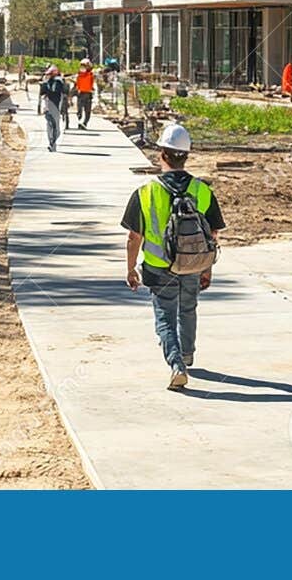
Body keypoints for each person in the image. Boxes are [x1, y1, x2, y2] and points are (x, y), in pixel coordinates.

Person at [121, 123, 225, 390]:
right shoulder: (202, 190)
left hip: (158, 268)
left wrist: (131, 268)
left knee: (165, 317)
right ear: (186, 155)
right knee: (188, 308)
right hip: (192, 264)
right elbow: (212, 233)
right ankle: (188, 353)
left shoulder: (145, 192)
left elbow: (134, 237)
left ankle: (176, 364)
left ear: (162, 154)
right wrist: (207, 268)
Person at [37, 65, 68, 151]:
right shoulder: (46, 84)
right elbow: (42, 94)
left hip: (56, 108)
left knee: (56, 129)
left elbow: (64, 93)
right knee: (50, 126)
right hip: (48, 108)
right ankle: (51, 143)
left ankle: (52, 142)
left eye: (49, 74)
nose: (47, 76)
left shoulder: (59, 83)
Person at [73, 58, 96, 129]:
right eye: (82, 66)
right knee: (79, 110)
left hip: (88, 94)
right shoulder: (79, 75)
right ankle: (80, 121)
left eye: (85, 65)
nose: (83, 67)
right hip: (81, 93)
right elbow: (77, 83)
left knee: (87, 110)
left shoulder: (91, 74)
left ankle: (84, 123)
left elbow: (92, 83)